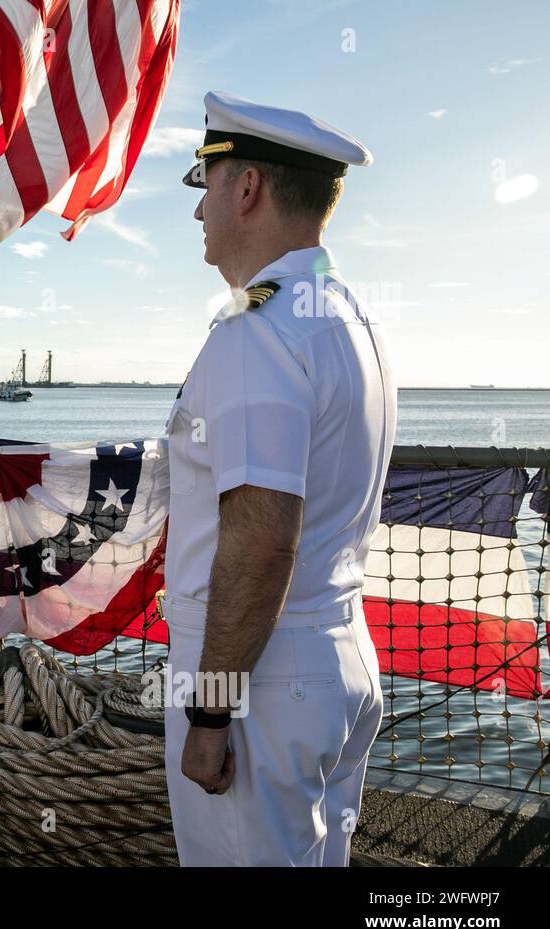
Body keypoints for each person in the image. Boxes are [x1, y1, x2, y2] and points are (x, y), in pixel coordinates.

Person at [161, 92, 397, 865]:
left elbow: (261, 541)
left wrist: (208, 713)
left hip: (260, 682)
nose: (198, 211)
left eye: (208, 182)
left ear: (250, 188)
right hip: (337, 655)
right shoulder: (347, 319)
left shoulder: (256, 335)